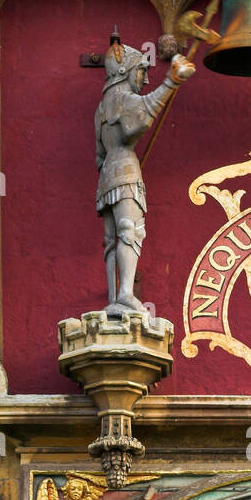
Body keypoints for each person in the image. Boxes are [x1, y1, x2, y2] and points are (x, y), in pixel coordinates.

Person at [95, 32, 194, 312]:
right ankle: (125, 294)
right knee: (131, 231)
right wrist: (171, 81)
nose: (144, 79)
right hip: (126, 170)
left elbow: (98, 155)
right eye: (141, 71)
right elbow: (139, 118)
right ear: (125, 71)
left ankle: (116, 298)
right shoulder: (124, 100)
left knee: (111, 239)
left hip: (106, 175)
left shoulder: (101, 109)